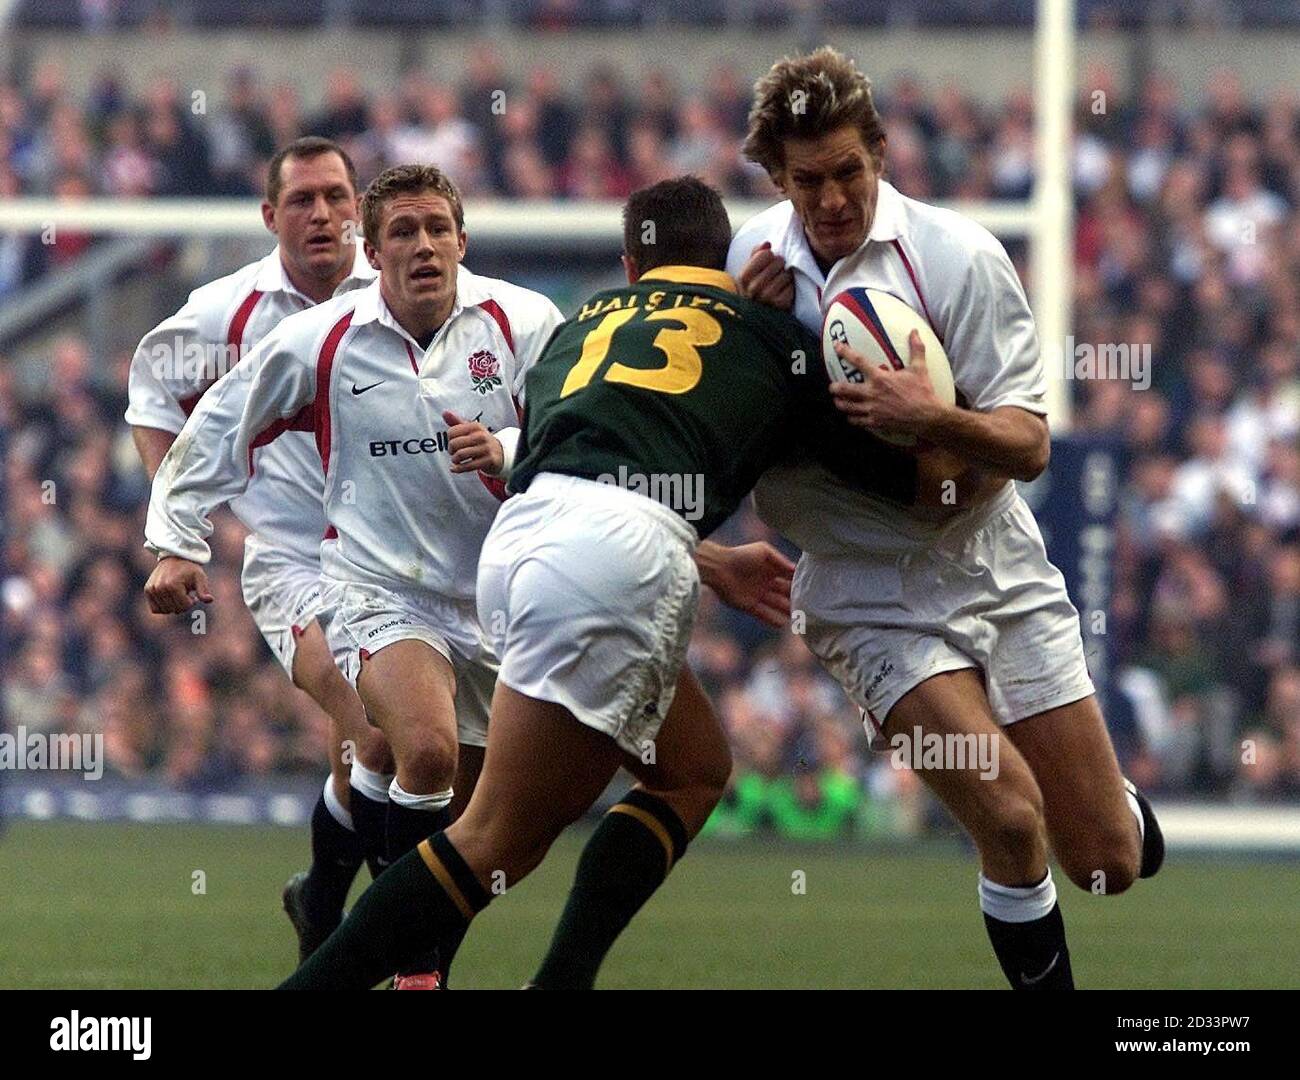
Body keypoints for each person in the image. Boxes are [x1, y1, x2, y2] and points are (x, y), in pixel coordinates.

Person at [278, 175, 905, 990]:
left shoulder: (586, 321)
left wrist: (708, 563)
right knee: (494, 838)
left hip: (516, 544)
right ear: (724, 257)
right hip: (616, 560)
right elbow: (869, 457)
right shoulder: (764, 333)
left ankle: (563, 981)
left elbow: (568, 454)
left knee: (691, 768)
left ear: (631, 267)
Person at [727, 47, 1164, 989]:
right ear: (777, 179)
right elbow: (729, 408)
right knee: (1007, 816)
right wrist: (746, 334)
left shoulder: (959, 257)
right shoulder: (751, 262)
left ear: (880, 152)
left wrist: (932, 419)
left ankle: (1114, 808)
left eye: (849, 170)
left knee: (1104, 864)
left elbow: (1030, 442)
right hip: (861, 586)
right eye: (808, 181)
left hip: (991, 558)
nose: (833, 197)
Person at [144, 163, 564, 987]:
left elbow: (582, 432)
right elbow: (221, 421)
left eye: (438, 229)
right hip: (376, 590)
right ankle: (413, 976)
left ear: (463, 240)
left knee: (471, 835)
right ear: (373, 252)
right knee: (425, 751)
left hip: (496, 597)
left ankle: (350, 937)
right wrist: (176, 539)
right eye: (402, 233)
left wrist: (510, 448)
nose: (423, 247)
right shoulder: (323, 339)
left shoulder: (524, 321)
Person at [128, 136, 389, 962]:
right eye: (304, 200)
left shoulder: (397, 294)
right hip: (293, 563)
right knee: (383, 734)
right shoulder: (225, 312)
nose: (323, 214)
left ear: (360, 207)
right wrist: (178, 537)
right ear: (270, 216)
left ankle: (320, 898)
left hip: (400, 560)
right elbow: (151, 394)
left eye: (338, 197)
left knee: (392, 754)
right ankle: (405, 958)